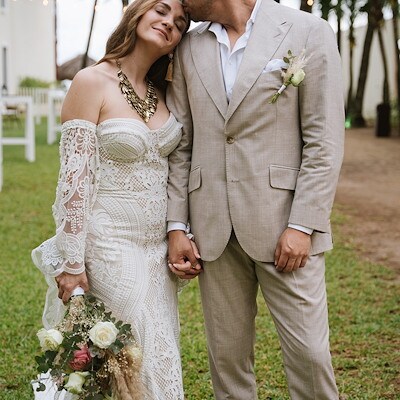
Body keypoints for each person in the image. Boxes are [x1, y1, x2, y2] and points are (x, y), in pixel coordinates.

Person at [166, 0, 345, 398]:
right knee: (227, 363)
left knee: (310, 356)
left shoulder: (308, 31)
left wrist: (303, 225)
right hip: (212, 230)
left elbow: (324, 142)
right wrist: (177, 225)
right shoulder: (188, 46)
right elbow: (182, 145)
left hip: (285, 227)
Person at [32, 1, 191, 398]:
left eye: (179, 23)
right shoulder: (91, 81)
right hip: (108, 245)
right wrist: (72, 263)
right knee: (129, 359)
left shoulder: (164, 92)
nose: (169, 24)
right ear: (137, 13)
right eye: (161, 10)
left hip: (156, 252)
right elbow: (74, 182)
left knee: (160, 352)